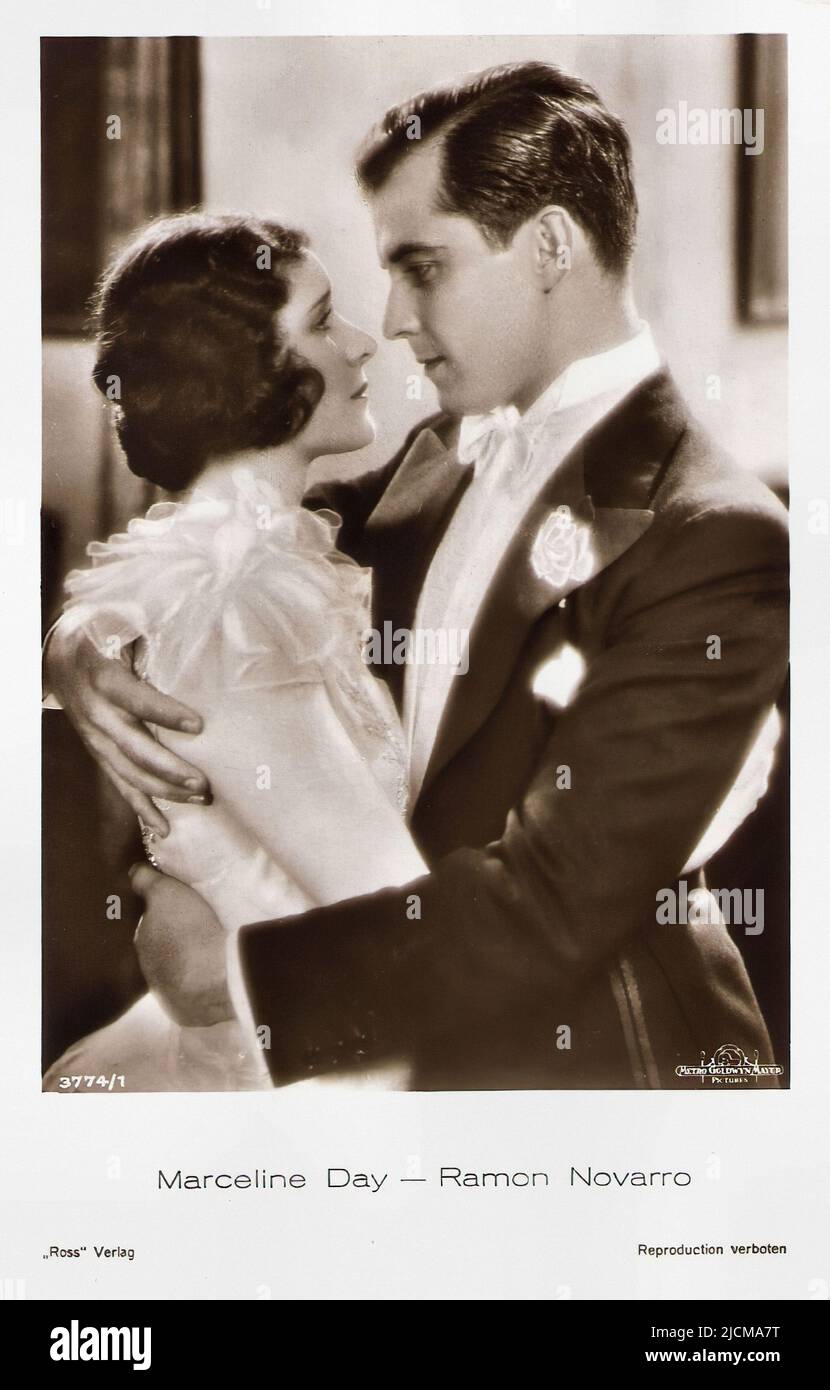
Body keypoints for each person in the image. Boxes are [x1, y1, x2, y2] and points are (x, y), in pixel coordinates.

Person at [46, 63, 788, 1090]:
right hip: (376, 1067)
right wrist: (82, 642)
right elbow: (243, 552)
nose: (391, 319)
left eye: (421, 266)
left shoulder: (717, 535)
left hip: (590, 1083)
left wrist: (239, 978)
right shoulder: (439, 453)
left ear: (550, 248)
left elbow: (547, 907)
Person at [43, 212, 427, 1090]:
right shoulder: (236, 605)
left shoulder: (255, 560)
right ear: (244, 372)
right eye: (326, 321)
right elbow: (400, 920)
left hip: (292, 1029)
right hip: (302, 1071)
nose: (366, 344)